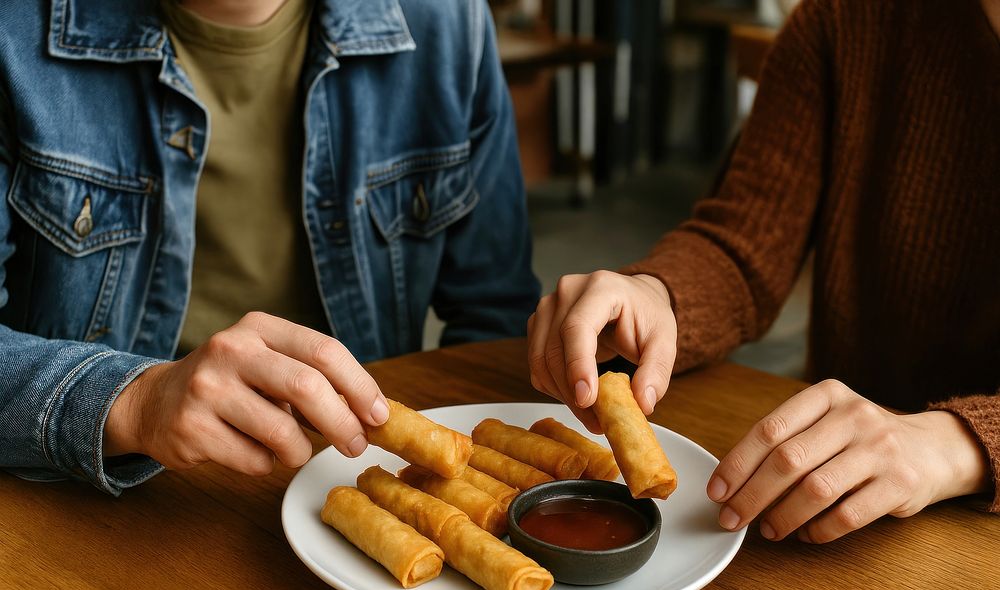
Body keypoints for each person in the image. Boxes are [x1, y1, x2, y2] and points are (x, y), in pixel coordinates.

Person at [0, 0, 539, 494]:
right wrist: (137, 401)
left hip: (361, 482)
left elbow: (495, 314)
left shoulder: (446, 23)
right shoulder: (14, 31)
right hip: (85, 498)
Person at [529, 0, 1000, 543]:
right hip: (824, 506)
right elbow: (745, 244)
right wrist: (658, 293)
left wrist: (958, 444)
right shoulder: (846, 19)